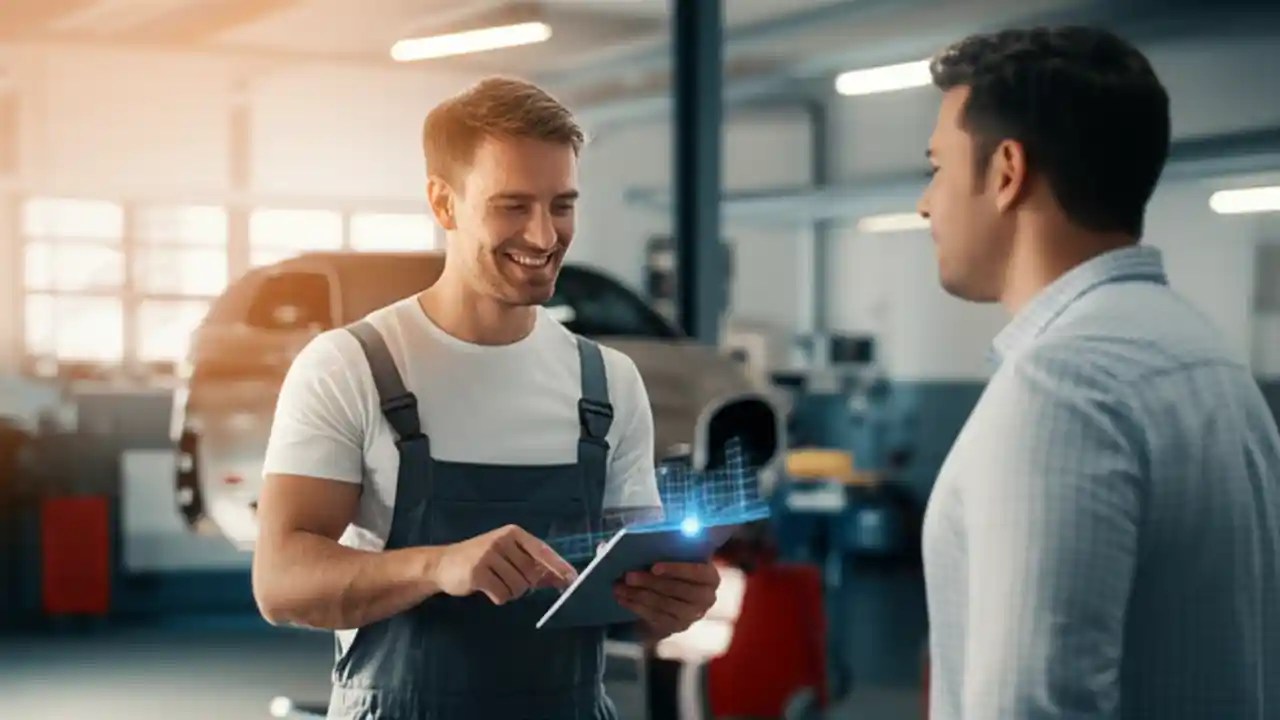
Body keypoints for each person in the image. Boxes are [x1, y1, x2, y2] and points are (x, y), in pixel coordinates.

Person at [250, 76, 721, 719]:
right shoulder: (352, 367)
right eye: (513, 205)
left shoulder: (608, 384)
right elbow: (280, 584)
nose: (545, 235)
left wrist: (668, 606)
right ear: (443, 204)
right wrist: (437, 567)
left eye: (562, 204)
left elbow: (623, 608)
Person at [916, 26, 1280, 719]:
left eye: (935, 167)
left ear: (1005, 173)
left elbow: (1032, 705)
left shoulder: (1062, 389)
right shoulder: (1209, 358)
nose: (926, 202)